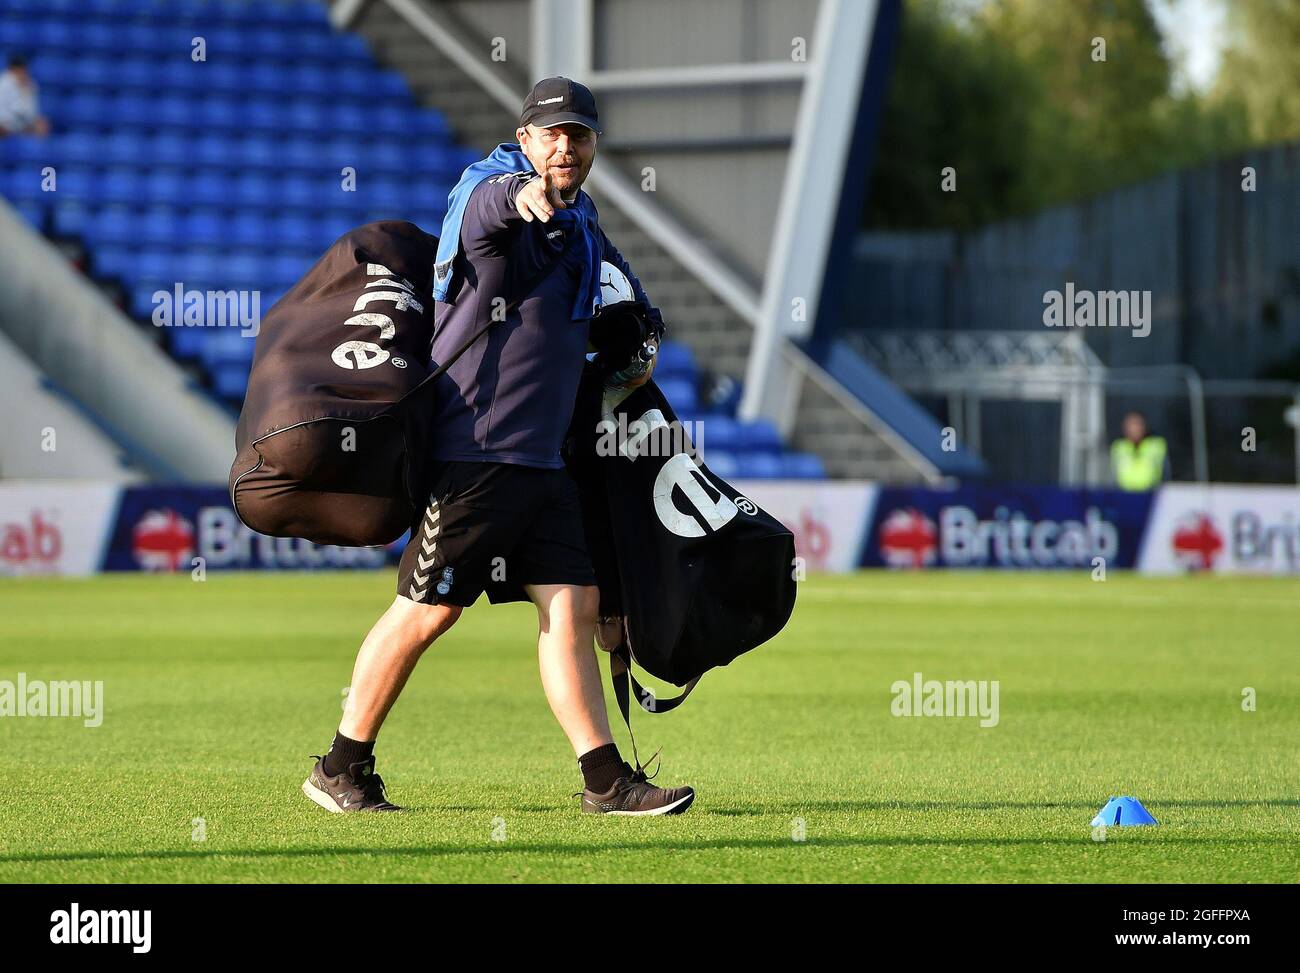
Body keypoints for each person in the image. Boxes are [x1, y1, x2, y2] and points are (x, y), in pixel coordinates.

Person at [302, 77, 695, 816]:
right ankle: (340, 765)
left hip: (541, 461)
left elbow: (624, 317)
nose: (564, 147)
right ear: (524, 140)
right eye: (550, 134)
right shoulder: (488, 194)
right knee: (426, 611)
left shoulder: (585, 224)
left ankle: (606, 782)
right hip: (477, 451)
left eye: (578, 135)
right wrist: (526, 196)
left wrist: (626, 340)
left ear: (594, 145)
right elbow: (507, 205)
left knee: (572, 606)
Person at [1111, 411, 1168, 490]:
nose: (1134, 428)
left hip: (1152, 496)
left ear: (1144, 426)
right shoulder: (1118, 447)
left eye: (1137, 424)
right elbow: (1113, 475)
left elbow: (1166, 473)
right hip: (1124, 495)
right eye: (1131, 425)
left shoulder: (1156, 445)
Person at [0, 54, 50, 138]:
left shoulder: (30, 84)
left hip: (23, 123)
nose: (23, 71)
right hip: (5, 122)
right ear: (13, 69)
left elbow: (32, 111)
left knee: (42, 125)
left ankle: (36, 149)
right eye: (20, 68)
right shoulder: (3, 83)